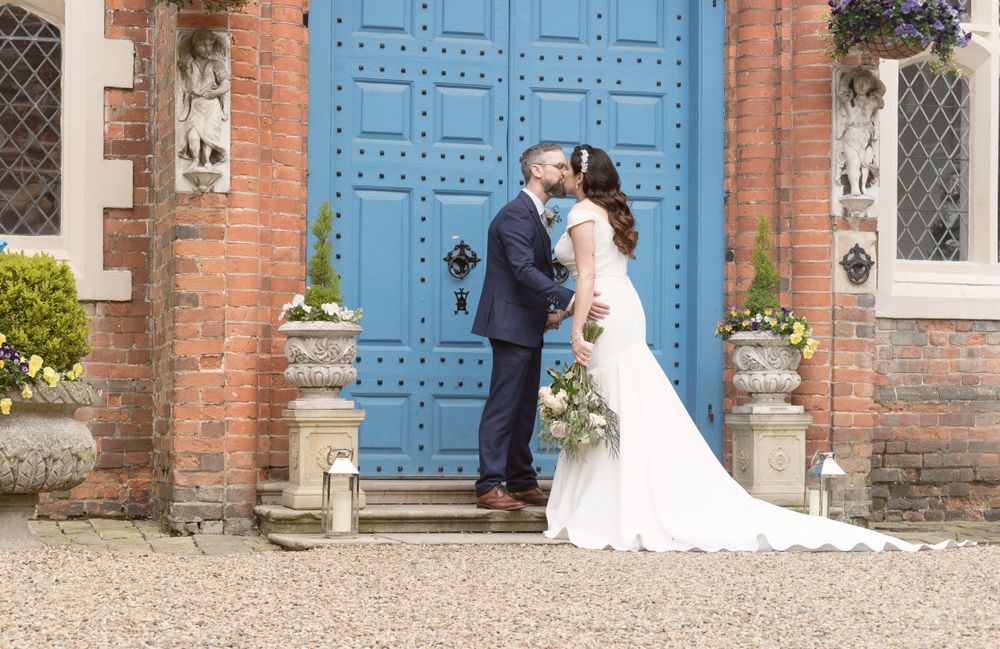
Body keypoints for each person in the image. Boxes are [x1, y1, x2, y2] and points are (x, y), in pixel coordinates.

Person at [544, 144, 968, 552]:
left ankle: (611, 502)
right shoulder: (608, 212)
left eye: (567, 171)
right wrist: (569, 315)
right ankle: (622, 492)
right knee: (616, 397)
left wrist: (575, 330)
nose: (562, 176)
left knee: (610, 395)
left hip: (602, 310)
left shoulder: (581, 212)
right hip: (623, 304)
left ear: (581, 176)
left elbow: (585, 276)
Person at [471, 143, 609, 511]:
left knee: (522, 407)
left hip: (525, 322)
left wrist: (549, 313)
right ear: (536, 169)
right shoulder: (516, 214)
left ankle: (520, 479)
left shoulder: (536, 214)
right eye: (559, 166)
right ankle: (489, 485)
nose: (564, 173)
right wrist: (570, 299)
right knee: (504, 405)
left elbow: (527, 274)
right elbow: (522, 270)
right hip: (509, 324)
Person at [177, 29, 230, 170]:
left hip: (212, 105)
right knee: (193, 133)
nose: (207, 49)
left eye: (210, 45)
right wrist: (185, 71)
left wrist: (215, 93)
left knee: (209, 134)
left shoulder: (215, 64)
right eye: (203, 45)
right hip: (195, 104)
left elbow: (226, 83)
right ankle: (195, 160)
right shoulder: (189, 64)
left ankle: (206, 161)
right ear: (195, 46)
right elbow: (186, 87)